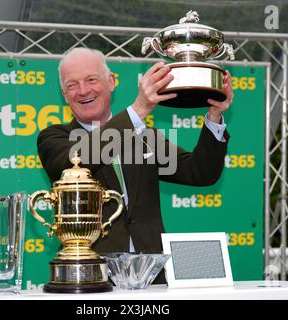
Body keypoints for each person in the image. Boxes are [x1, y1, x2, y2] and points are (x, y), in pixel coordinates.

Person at [37, 47, 233, 281]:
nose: (83, 91)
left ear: (111, 82)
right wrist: (138, 110)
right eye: (72, 85)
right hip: (90, 274)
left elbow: (200, 173)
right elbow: (80, 159)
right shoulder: (54, 138)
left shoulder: (144, 138)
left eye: (91, 79)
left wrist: (214, 117)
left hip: (153, 274)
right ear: (64, 94)